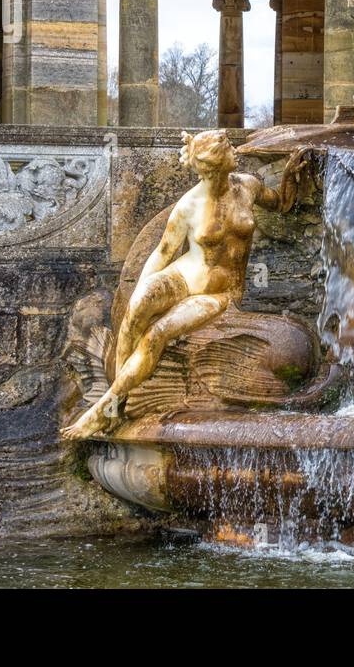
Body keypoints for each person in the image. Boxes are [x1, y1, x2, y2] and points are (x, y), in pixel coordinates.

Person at [61, 130, 305, 439]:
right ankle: (116, 398)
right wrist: (139, 290)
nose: (235, 152)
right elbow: (162, 253)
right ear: (213, 164)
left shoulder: (248, 187)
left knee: (156, 334)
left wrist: (291, 176)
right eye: (228, 148)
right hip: (184, 275)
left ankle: (104, 409)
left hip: (220, 293)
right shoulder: (189, 205)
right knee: (137, 308)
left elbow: (282, 204)